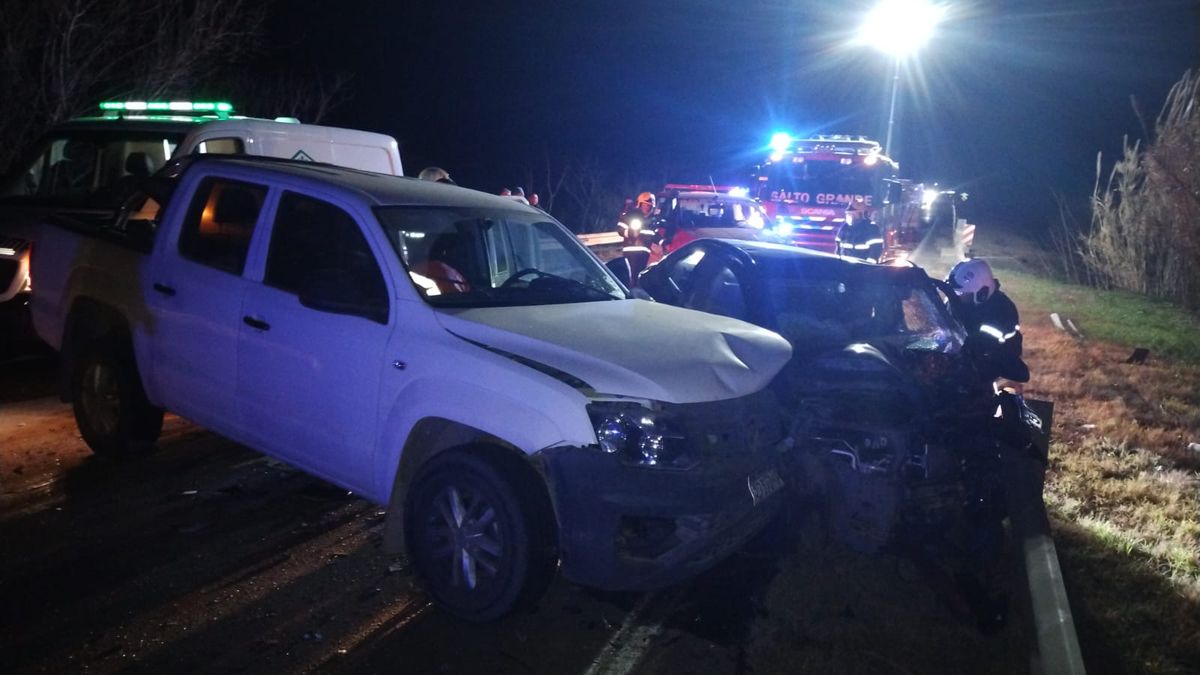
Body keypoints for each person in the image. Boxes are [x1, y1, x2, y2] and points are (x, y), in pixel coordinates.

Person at [946, 258, 1029, 383]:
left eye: (963, 294)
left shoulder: (1001, 311)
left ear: (981, 292)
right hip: (959, 355)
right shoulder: (960, 302)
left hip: (987, 363)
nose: (958, 297)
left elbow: (980, 345)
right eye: (956, 293)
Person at [616, 192, 658, 281]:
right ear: (640, 204)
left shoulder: (653, 221)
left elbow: (654, 236)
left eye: (650, 206)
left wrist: (662, 241)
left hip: (644, 254)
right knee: (629, 277)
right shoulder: (631, 215)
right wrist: (630, 233)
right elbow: (620, 229)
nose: (648, 207)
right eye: (646, 205)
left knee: (639, 278)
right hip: (631, 252)